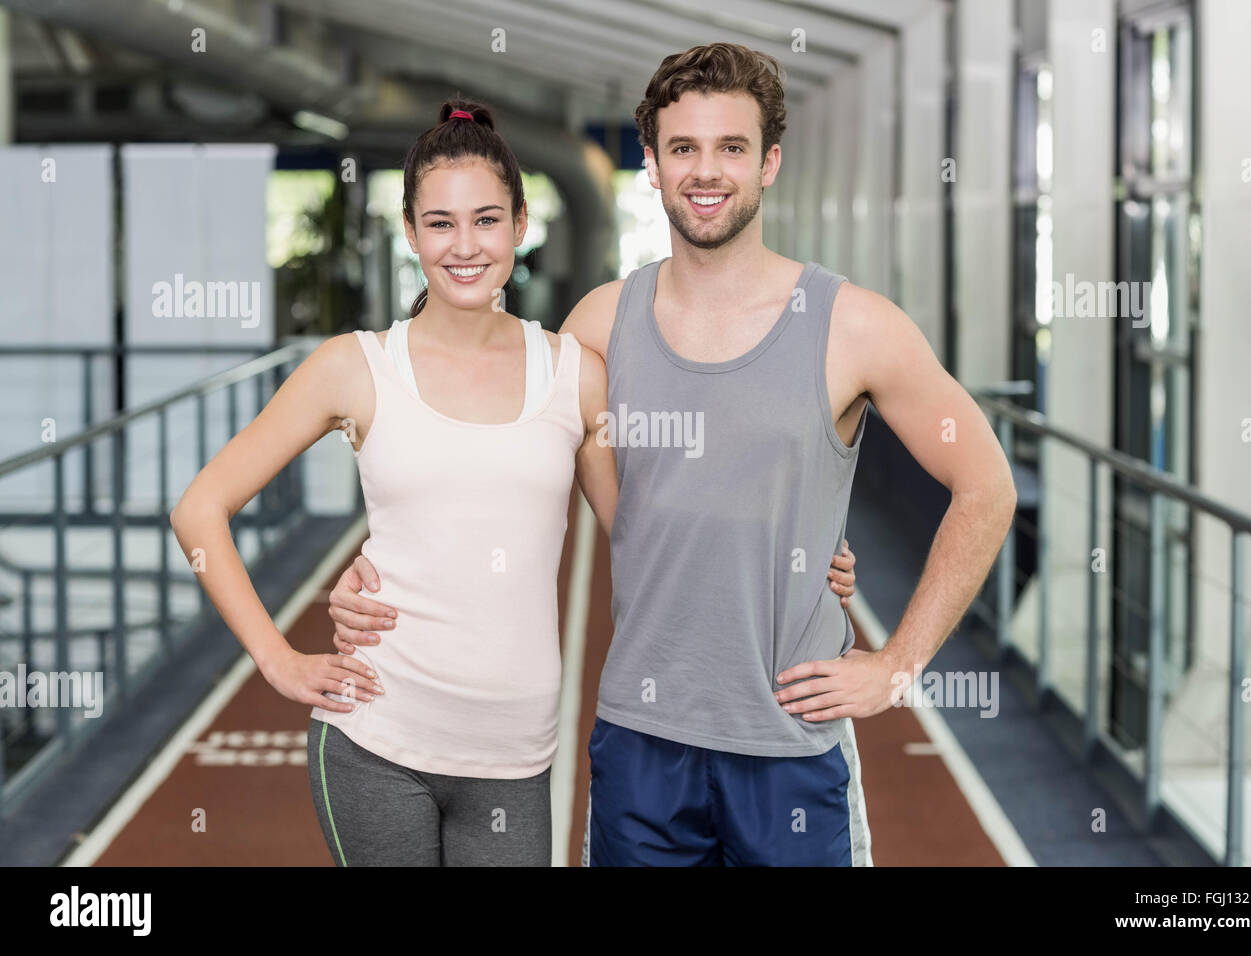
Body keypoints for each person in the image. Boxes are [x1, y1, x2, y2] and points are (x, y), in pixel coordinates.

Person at [328, 43, 1018, 869]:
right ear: (650, 164)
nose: (707, 171)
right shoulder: (597, 327)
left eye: (731, 147)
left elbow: (986, 485)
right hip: (642, 745)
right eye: (683, 148)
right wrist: (378, 568)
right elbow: (473, 457)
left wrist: (899, 665)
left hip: (790, 747)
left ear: (769, 162)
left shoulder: (854, 326)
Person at [171, 94, 862, 867]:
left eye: (486, 220)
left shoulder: (573, 373)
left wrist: (799, 547)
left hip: (514, 759)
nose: (464, 246)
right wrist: (279, 659)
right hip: (377, 737)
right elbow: (201, 507)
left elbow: (649, 527)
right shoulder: (353, 368)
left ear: (521, 224)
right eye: (440, 223)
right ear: (410, 232)